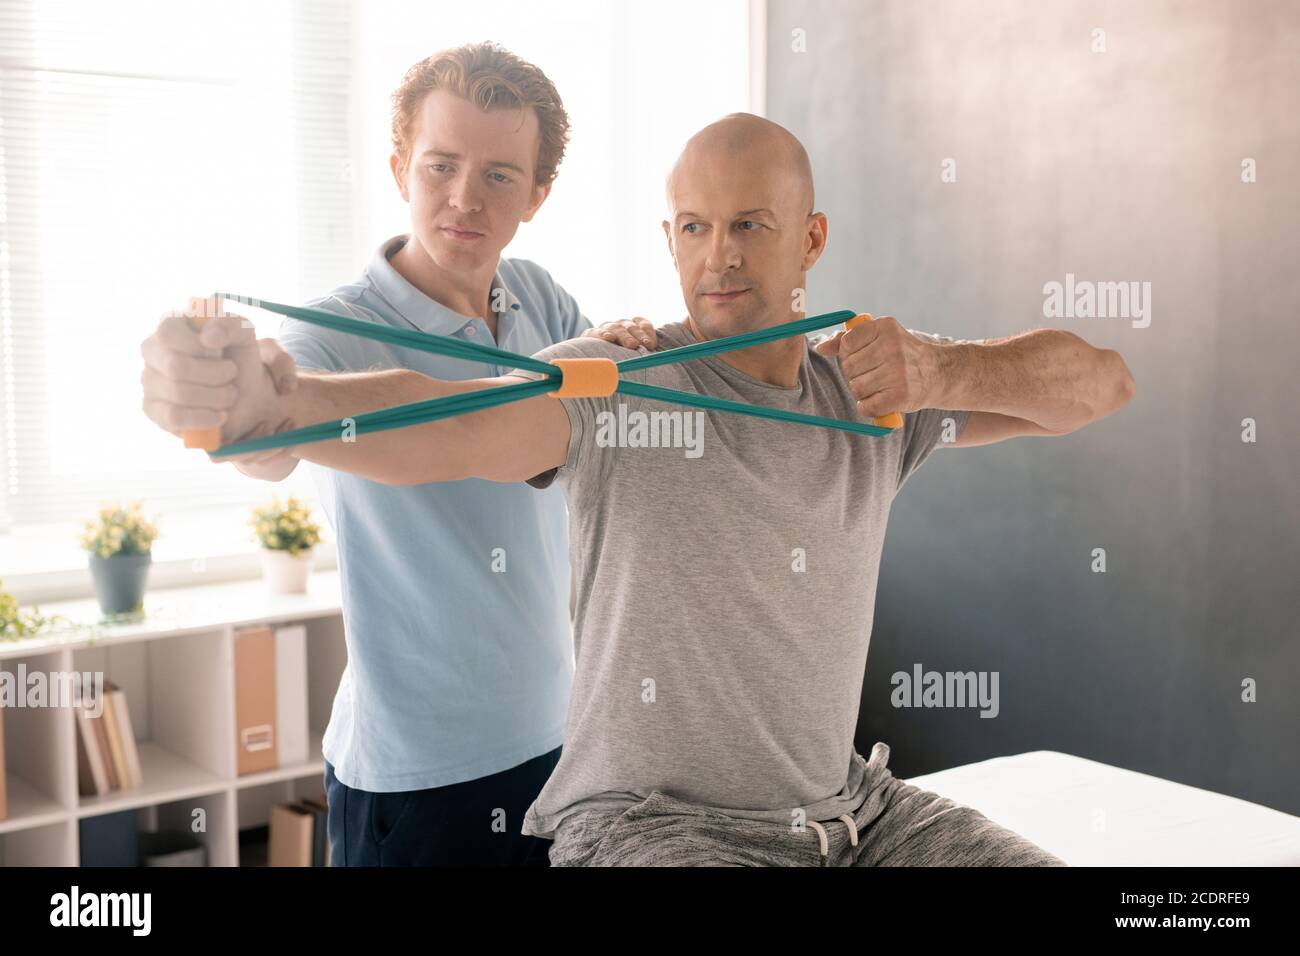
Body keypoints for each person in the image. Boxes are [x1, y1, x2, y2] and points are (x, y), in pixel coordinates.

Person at [146, 112, 1135, 866]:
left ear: (812, 237)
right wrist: (282, 403)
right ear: (668, 238)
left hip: (847, 809)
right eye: (695, 227)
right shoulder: (618, 380)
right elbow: (450, 419)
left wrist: (940, 369)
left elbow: (1098, 383)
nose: (721, 255)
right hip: (649, 829)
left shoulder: (871, 392)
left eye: (750, 223)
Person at [140, 42, 656, 867]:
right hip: (419, 778)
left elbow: (582, 424)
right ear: (397, 168)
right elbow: (272, 435)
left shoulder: (544, 297)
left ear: (538, 194)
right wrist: (239, 401)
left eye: (498, 175)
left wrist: (609, 345)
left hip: (560, 740)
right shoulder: (332, 329)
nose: (463, 199)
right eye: (440, 165)